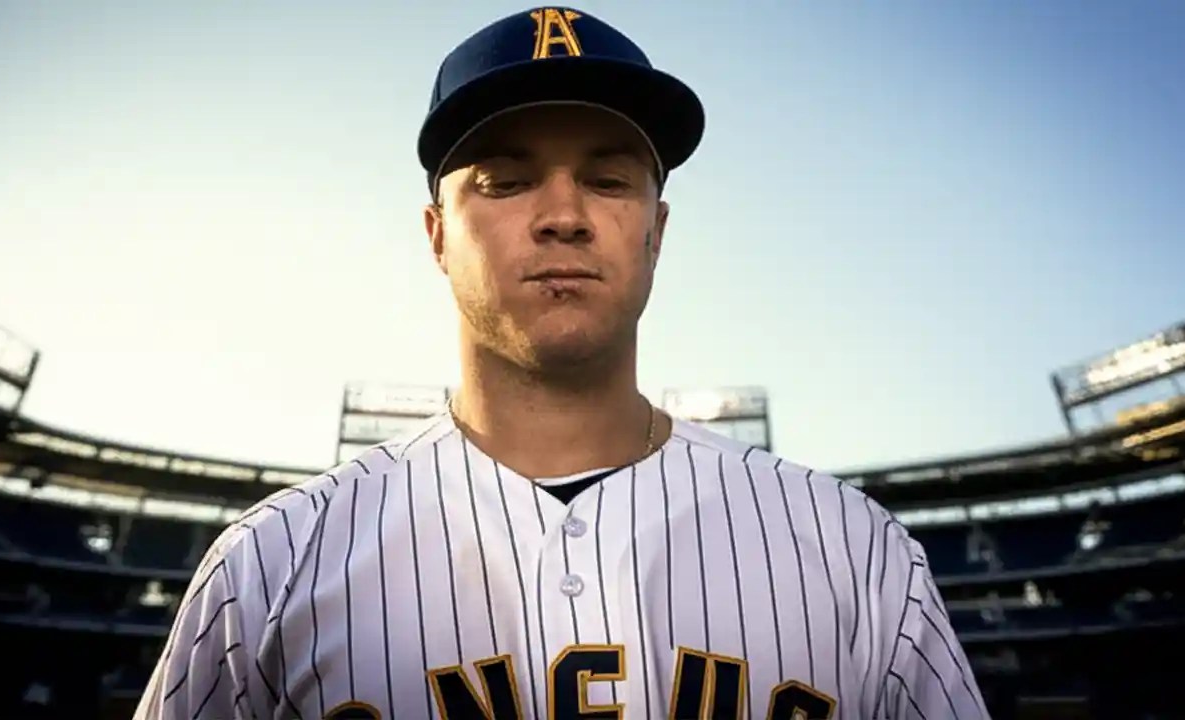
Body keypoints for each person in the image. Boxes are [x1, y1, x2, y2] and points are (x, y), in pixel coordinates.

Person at [135, 7, 990, 719]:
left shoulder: (857, 552)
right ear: (437, 236)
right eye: (506, 182)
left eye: (609, 180)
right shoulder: (270, 565)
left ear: (657, 232)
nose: (564, 216)